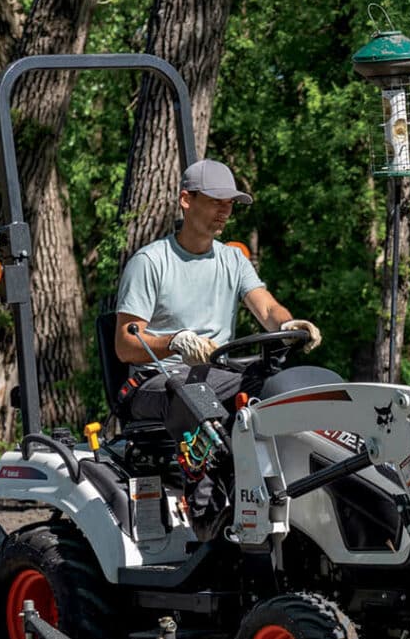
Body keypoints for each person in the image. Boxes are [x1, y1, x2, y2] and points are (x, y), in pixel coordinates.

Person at [114, 158, 321, 436]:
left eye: (230, 203)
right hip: (156, 381)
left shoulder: (233, 259)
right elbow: (125, 345)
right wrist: (176, 342)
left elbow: (268, 309)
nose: (226, 211)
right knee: (205, 399)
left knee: (287, 390)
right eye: (216, 201)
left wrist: (288, 325)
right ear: (187, 200)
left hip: (217, 375)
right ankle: (209, 481)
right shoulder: (150, 262)